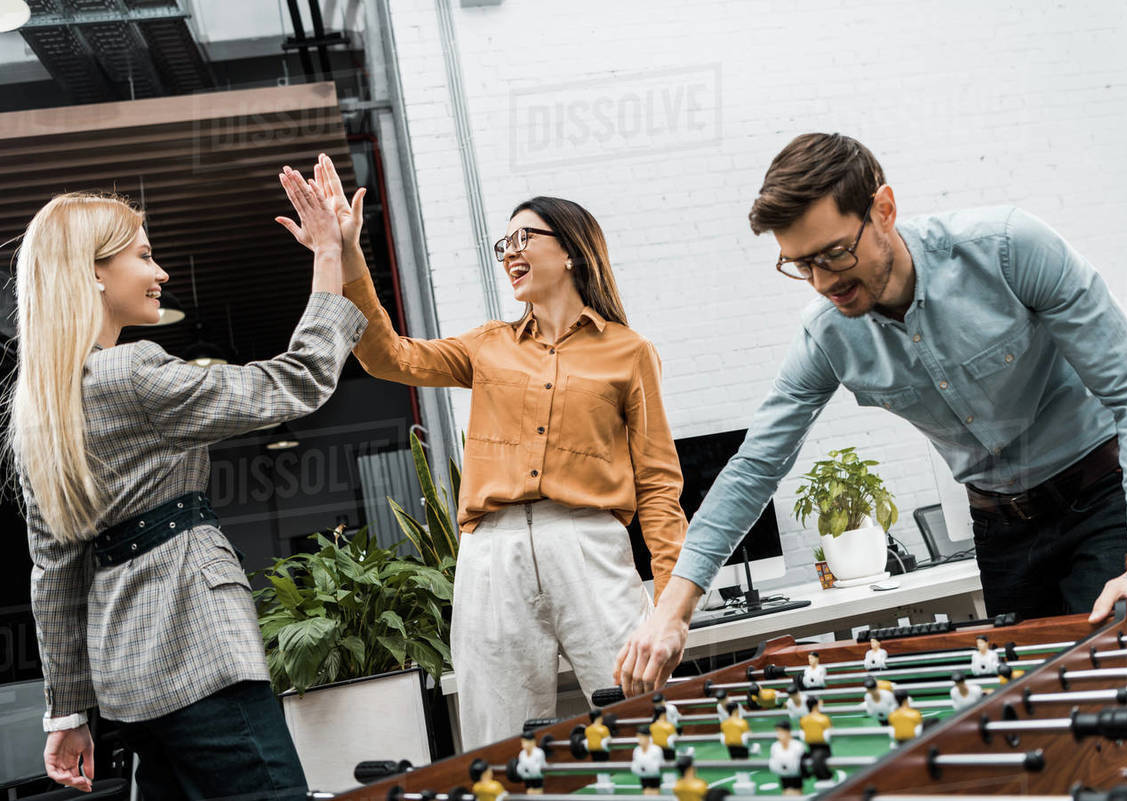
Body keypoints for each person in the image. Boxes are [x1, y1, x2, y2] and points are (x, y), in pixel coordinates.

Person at [614, 132, 1127, 696]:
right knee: (1036, 710)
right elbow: (754, 468)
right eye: (800, 265)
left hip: (1102, 498)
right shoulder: (827, 338)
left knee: (1121, 696)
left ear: (884, 209)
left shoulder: (1009, 249)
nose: (823, 282)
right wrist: (673, 612)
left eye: (836, 253)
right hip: (1002, 529)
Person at [281, 155, 687, 747]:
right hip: (491, 553)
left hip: (588, 542)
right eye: (505, 243)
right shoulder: (488, 345)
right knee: (498, 737)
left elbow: (657, 481)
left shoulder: (628, 352)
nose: (511, 252)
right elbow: (388, 357)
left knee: (642, 715)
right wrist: (348, 252)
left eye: (525, 236)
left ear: (572, 250)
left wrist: (670, 600)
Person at [7, 177, 365, 797]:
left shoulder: (39, 408)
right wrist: (329, 256)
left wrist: (66, 713)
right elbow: (299, 380)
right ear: (92, 273)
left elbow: (54, 572)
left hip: (129, 679)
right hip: (199, 649)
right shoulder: (131, 373)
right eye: (143, 255)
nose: (162, 273)